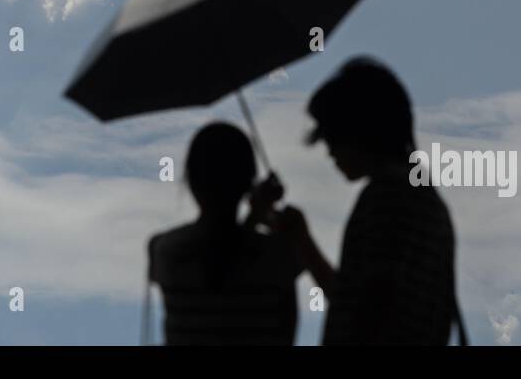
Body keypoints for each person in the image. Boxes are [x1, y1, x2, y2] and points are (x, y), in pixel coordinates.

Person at [277, 56, 464, 345]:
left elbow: (362, 312)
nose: (329, 152)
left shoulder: (387, 198)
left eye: (332, 136)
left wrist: (302, 243)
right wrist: (303, 241)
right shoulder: (423, 197)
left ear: (359, 129)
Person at [147, 122, 302, 345]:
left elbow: (222, 261)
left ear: (190, 180)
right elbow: (286, 336)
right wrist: (259, 215)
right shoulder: (281, 255)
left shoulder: (162, 250)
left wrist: (254, 217)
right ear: (249, 183)